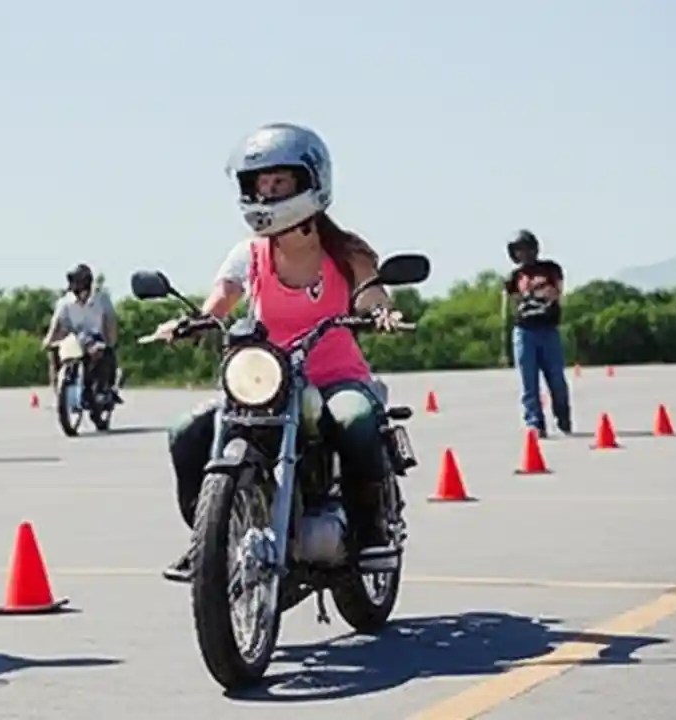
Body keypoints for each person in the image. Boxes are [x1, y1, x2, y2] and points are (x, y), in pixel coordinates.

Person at [147, 122, 406, 583]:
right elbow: (219, 302)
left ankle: (371, 535)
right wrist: (191, 322)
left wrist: (380, 312)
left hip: (334, 375)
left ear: (311, 181)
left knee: (355, 421)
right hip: (266, 378)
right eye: (259, 183)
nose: (267, 192)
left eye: (279, 182)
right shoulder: (249, 254)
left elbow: (370, 293)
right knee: (185, 432)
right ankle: (209, 542)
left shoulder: (345, 250)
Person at [502, 229, 572, 437]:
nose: (523, 254)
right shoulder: (514, 277)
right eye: (518, 251)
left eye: (526, 249)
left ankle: (563, 415)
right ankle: (535, 422)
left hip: (548, 330)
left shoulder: (550, 269)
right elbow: (511, 306)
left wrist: (548, 303)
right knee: (528, 381)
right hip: (525, 331)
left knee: (556, 378)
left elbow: (558, 292)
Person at [41, 263, 123, 404]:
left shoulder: (101, 299)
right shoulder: (65, 302)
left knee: (103, 353)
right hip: (74, 338)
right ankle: (59, 392)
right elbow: (56, 323)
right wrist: (48, 341)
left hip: (96, 337)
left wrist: (110, 342)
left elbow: (110, 321)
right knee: (55, 352)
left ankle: (104, 389)